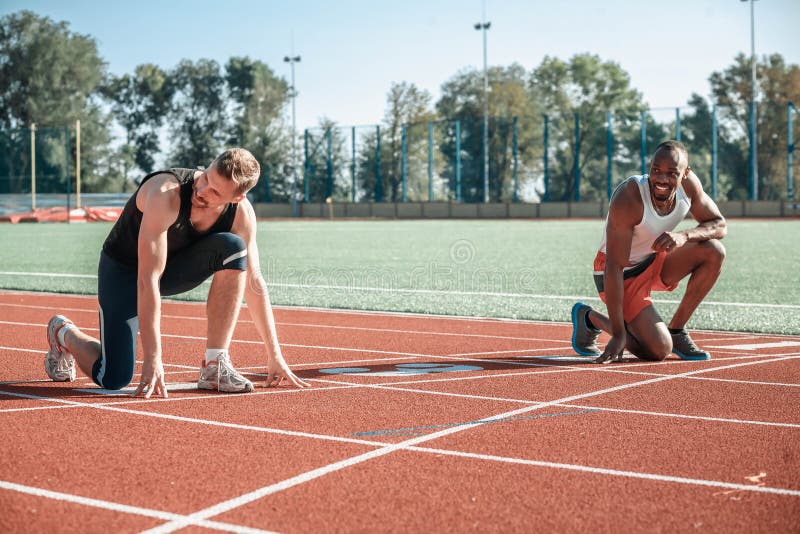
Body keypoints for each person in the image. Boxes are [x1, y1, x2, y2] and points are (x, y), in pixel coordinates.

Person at [44, 148, 310, 397]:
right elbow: (148, 279)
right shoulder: (165, 193)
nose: (202, 190)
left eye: (216, 192)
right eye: (205, 177)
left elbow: (254, 281)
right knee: (114, 377)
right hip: (125, 270)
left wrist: (275, 355)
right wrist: (153, 359)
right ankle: (63, 333)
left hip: (176, 267)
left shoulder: (241, 214)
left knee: (234, 248)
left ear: (237, 198)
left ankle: (215, 364)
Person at [571, 140, 727, 364]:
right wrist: (617, 334)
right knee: (658, 350)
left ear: (685, 173)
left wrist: (684, 236)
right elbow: (613, 266)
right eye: (656, 171)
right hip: (619, 273)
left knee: (714, 251)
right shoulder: (630, 197)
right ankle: (590, 318)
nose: (662, 179)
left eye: (672, 173)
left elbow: (719, 224)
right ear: (650, 167)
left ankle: (677, 330)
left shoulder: (690, 186)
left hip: (654, 259)